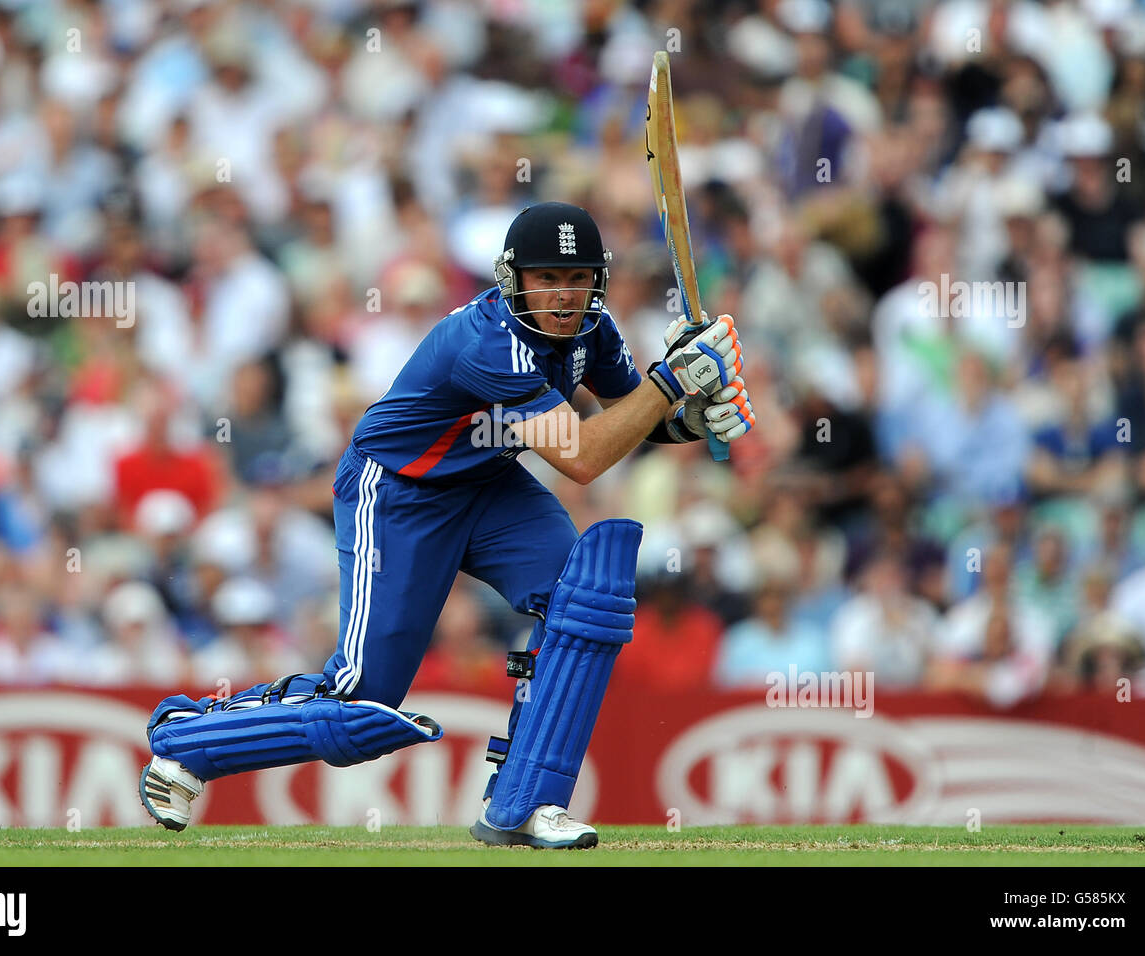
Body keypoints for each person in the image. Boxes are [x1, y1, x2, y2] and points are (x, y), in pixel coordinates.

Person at [137, 202, 755, 848]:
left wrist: (688, 413)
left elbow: (629, 415)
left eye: (576, 278)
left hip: (487, 485)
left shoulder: (591, 330)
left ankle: (527, 800)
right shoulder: (489, 342)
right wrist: (676, 377)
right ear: (513, 278)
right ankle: (188, 740)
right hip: (401, 490)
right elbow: (582, 456)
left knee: (584, 599)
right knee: (362, 699)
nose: (564, 294)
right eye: (547, 278)